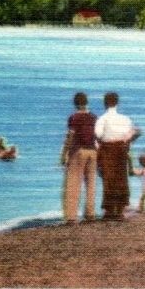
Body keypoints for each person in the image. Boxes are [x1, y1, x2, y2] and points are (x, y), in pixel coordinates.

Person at [95, 92, 140, 221]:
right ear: (117, 103)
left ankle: (109, 211)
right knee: (121, 179)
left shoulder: (102, 119)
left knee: (108, 180)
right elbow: (129, 135)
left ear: (105, 103)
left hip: (107, 150)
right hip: (121, 149)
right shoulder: (125, 119)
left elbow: (98, 134)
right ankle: (120, 211)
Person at [60, 92, 98, 224]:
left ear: (75, 103)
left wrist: (64, 154)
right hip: (93, 151)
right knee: (91, 183)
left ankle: (71, 216)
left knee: (73, 183)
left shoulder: (74, 117)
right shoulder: (94, 117)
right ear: (87, 102)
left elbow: (70, 136)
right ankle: (90, 213)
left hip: (78, 151)